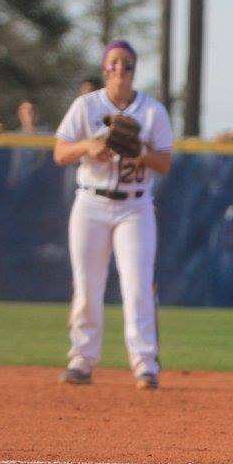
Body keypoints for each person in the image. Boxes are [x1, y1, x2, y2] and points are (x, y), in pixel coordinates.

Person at [53, 40, 174, 389]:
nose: (121, 70)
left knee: (137, 285)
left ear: (135, 71)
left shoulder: (152, 111)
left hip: (134, 206)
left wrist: (141, 153)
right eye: (114, 63)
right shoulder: (86, 106)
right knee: (87, 285)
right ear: (105, 68)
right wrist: (88, 145)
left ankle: (144, 363)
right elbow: (60, 152)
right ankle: (82, 359)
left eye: (128, 64)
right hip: (91, 202)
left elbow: (163, 163)